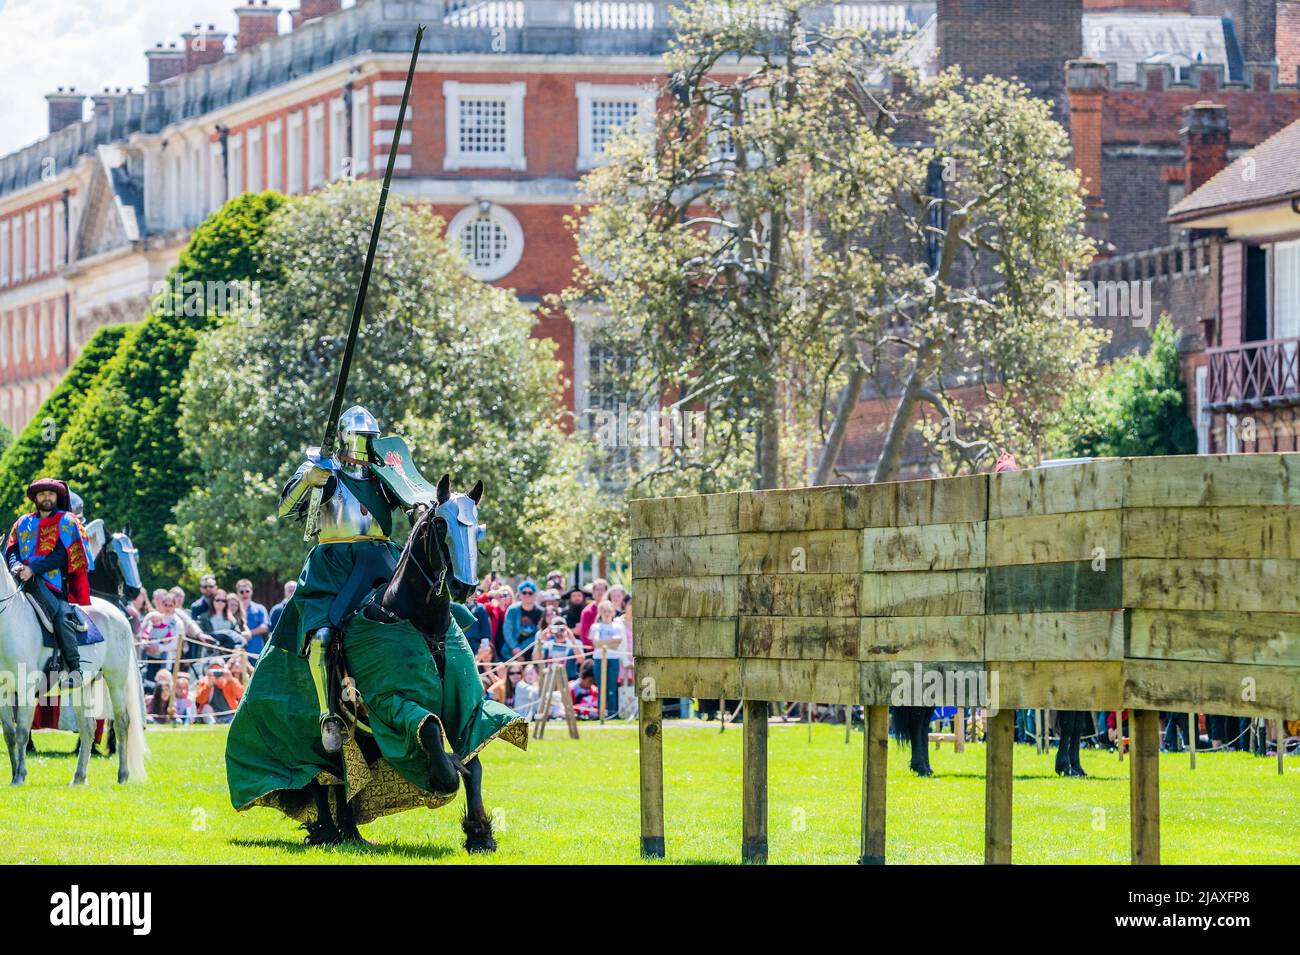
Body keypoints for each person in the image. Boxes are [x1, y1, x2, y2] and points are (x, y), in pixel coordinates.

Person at [4, 477, 96, 688]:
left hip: (54, 586)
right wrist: (17, 566)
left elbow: (64, 555)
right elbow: (12, 550)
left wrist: (33, 569)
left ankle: (74, 668)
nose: (46, 497)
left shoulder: (67, 521)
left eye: (51, 494)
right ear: (35, 498)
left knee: (62, 616)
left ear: (57, 497)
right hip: (20, 582)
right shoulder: (22, 522)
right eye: (42, 494)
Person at [588, 599, 627, 717]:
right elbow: (596, 642)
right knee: (601, 687)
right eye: (604, 610)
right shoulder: (595, 626)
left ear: (613, 612)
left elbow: (618, 642)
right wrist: (610, 642)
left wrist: (603, 643)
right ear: (600, 612)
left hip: (613, 659)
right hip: (600, 659)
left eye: (609, 610)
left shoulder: (617, 626)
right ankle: (601, 714)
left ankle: (613, 713)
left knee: (612, 687)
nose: (607, 613)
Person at [139, 589, 181, 686]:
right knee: (148, 684)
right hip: (150, 657)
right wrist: (145, 645)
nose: (168, 608)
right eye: (165, 605)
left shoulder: (178, 623)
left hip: (167, 660)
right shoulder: (154, 617)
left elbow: (175, 644)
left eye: (171, 605)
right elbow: (144, 633)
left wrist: (159, 648)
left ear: (175, 606)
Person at [502, 579, 543, 660]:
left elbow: (539, 634)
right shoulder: (512, 610)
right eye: (524, 593)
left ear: (534, 595)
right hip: (511, 652)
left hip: (532, 652)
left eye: (530, 593)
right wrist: (515, 648)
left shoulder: (541, 612)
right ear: (519, 594)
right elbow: (507, 631)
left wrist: (522, 650)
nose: (527, 595)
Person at [196, 656, 245, 724]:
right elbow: (199, 701)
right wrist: (208, 686)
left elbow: (241, 695)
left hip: (229, 714)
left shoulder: (230, 680)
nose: (216, 673)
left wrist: (231, 680)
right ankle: (212, 724)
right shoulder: (204, 681)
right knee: (205, 708)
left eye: (218, 669)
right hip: (212, 714)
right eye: (213, 669)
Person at [236, 579, 270, 663]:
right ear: (237, 593)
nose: (245, 594)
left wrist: (249, 633)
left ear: (251, 592)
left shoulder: (259, 608)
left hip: (255, 650)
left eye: (247, 591)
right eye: (241, 592)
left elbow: (264, 627)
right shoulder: (233, 608)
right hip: (237, 651)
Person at [577, 578, 609, 643]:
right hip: (594, 650)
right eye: (597, 589)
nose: (600, 592)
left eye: (602, 589)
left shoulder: (612, 609)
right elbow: (584, 636)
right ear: (593, 592)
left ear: (606, 592)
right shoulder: (587, 611)